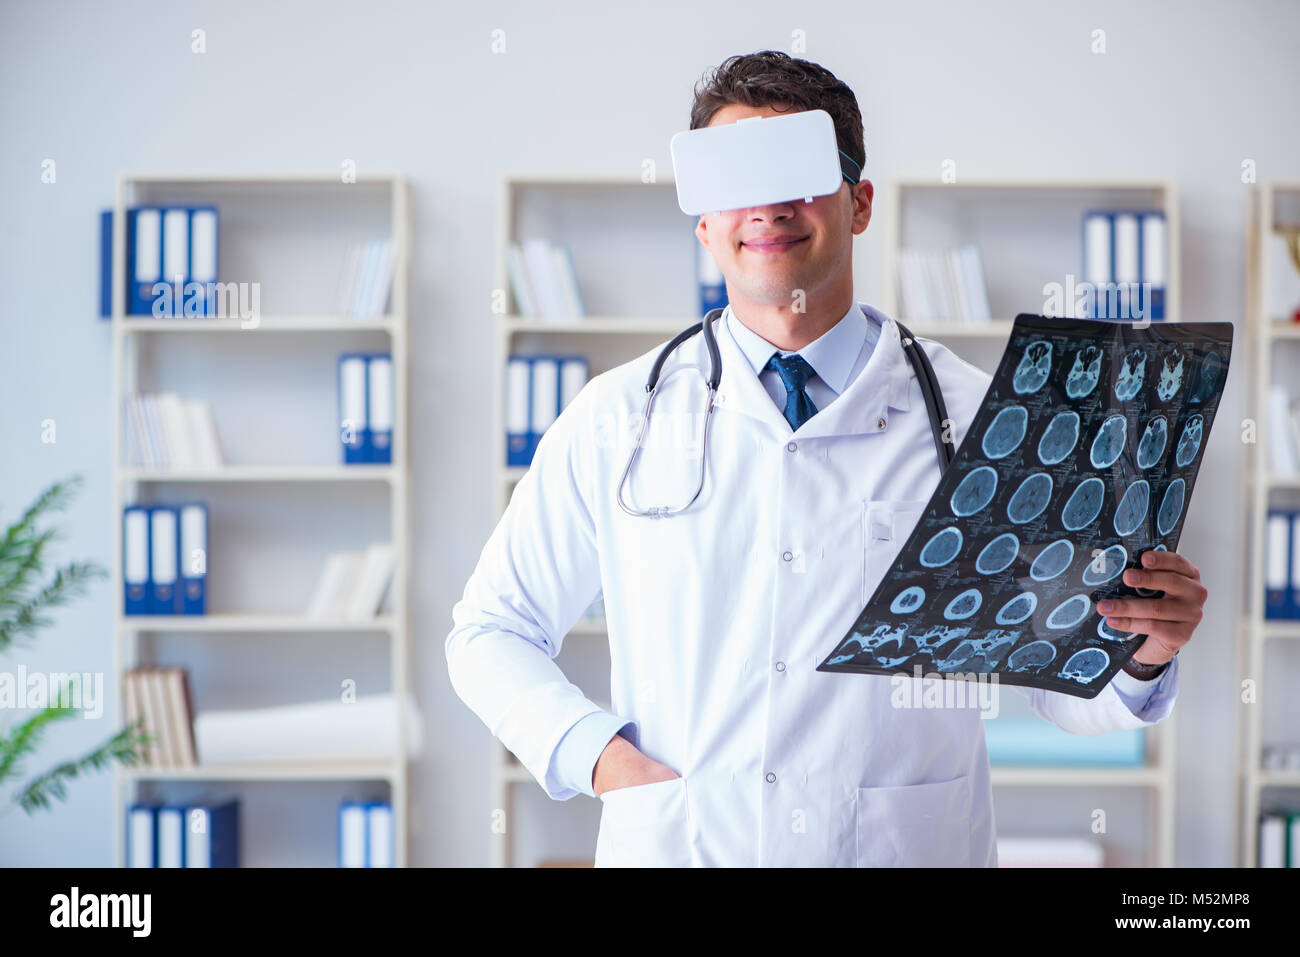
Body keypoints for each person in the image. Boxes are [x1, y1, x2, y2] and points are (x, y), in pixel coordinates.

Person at [445, 50, 1205, 867]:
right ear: (704, 219)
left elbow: (1062, 695)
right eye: (735, 181)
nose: (767, 207)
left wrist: (1144, 652)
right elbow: (488, 633)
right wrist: (603, 759)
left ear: (861, 202)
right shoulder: (616, 417)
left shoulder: (982, 416)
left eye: (799, 173)